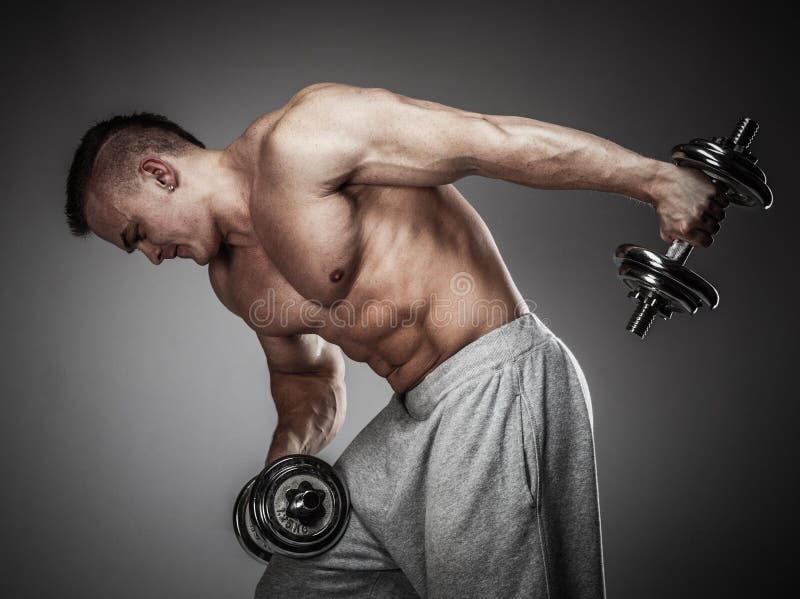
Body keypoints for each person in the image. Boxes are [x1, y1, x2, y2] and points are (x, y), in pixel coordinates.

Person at [65, 82, 725, 598]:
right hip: (414, 419)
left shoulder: (305, 137)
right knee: (300, 587)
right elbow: (307, 382)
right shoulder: (232, 280)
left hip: (490, 376)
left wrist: (655, 179)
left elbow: (490, 141)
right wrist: (284, 462)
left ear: (158, 173)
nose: (152, 256)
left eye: (137, 235)